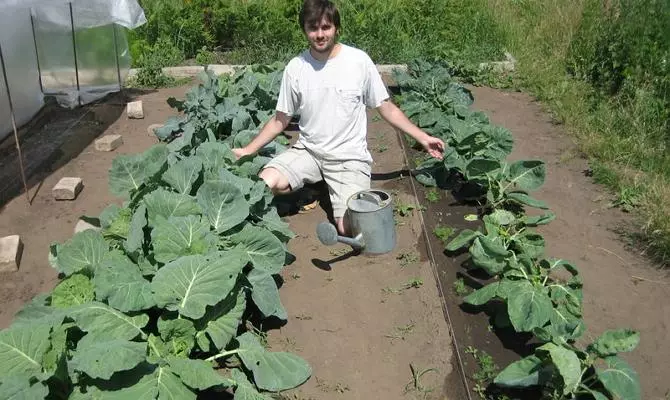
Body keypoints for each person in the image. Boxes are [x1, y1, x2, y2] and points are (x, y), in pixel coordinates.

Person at [232, 0, 445, 236]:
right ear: (304, 30)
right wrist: (248, 150)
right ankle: (315, 183)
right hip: (309, 151)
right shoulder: (296, 67)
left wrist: (422, 137)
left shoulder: (358, 61)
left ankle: (329, 187)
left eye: (326, 27)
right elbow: (280, 119)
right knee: (268, 182)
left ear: (337, 28)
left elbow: (386, 107)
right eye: (313, 28)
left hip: (348, 157)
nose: (320, 34)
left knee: (348, 228)